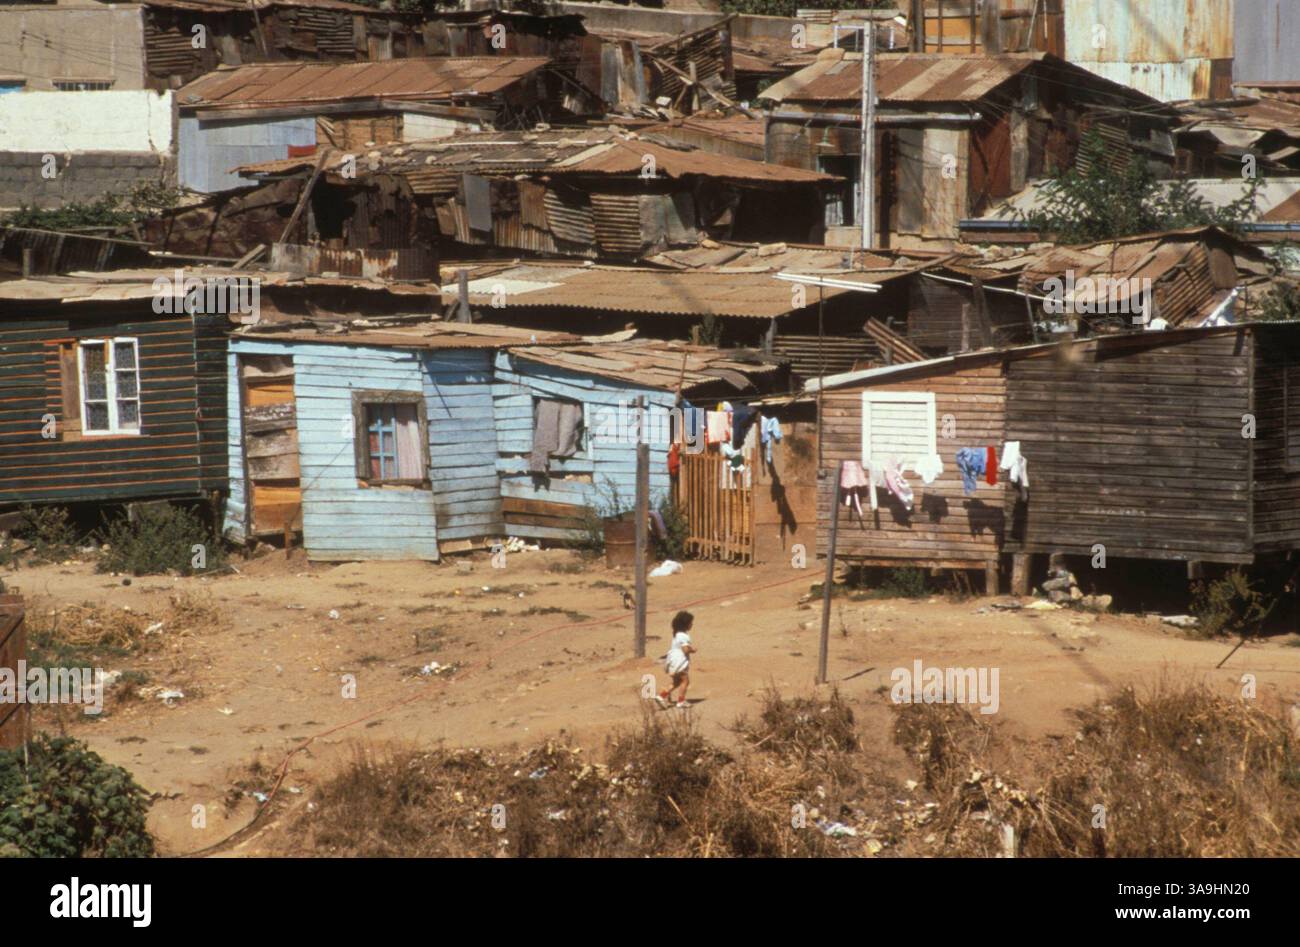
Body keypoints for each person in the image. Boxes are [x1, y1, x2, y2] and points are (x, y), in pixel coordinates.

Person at [657, 611, 696, 708]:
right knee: (685, 681)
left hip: (673, 662)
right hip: (679, 662)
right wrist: (693, 650)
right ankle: (681, 701)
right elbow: (685, 650)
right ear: (686, 624)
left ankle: (661, 696)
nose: (692, 624)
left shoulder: (677, 634)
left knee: (677, 682)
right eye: (691, 622)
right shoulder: (684, 636)